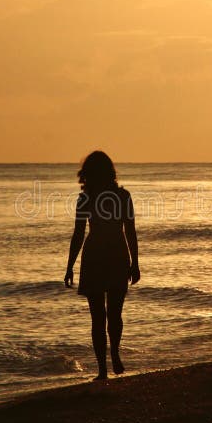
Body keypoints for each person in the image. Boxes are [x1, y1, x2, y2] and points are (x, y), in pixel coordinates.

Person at [64, 151, 140, 380]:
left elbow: (78, 234)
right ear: (111, 171)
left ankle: (102, 370)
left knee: (97, 317)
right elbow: (130, 231)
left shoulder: (85, 198)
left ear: (87, 174)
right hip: (117, 253)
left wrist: (69, 266)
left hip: (94, 255)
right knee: (114, 314)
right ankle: (115, 354)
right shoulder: (123, 196)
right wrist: (135, 263)